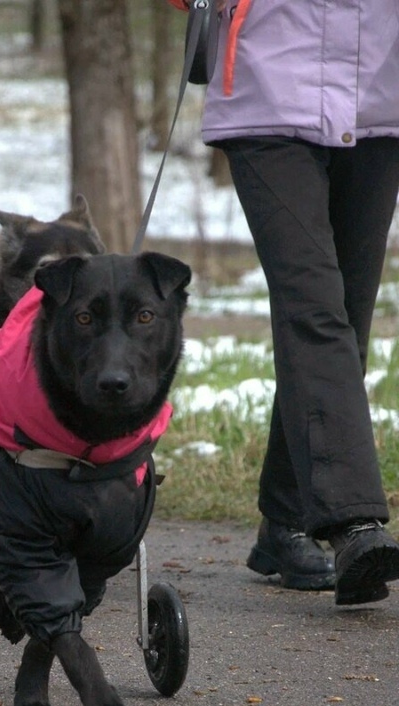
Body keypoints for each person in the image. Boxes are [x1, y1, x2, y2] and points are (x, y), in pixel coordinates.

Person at [168, 0, 399, 605]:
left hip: (380, 96)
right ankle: (353, 522)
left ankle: (285, 520)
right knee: (314, 309)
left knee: (345, 320)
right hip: (269, 93)